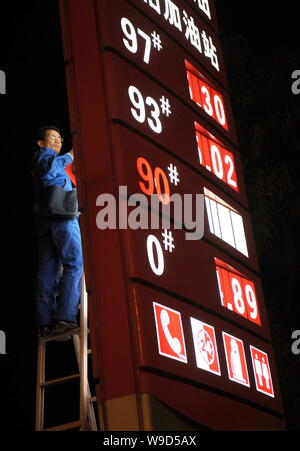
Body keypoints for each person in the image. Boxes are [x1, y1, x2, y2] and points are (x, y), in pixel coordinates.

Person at [32, 125, 83, 337]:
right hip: (62, 218)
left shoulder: (48, 163)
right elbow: (50, 169)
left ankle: (44, 322)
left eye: (60, 138)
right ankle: (64, 317)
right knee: (74, 263)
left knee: (48, 272)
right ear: (41, 142)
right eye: (52, 137)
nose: (58, 141)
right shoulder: (45, 157)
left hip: (47, 222)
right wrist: (70, 155)